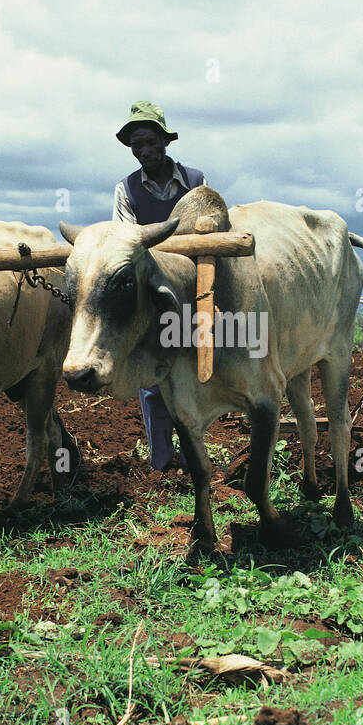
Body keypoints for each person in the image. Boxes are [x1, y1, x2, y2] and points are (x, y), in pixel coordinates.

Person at [112, 101, 207, 472]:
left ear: (165, 141)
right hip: (149, 296)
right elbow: (125, 243)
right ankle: (162, 464)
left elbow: (211, 229)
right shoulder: (126, 190)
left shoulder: (197, 182)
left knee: (191, 371)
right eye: (137, 145)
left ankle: (194, 457)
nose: (144, 152)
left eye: (150, 142)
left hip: (192, 290)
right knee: (151, 380)